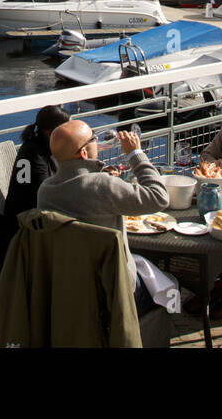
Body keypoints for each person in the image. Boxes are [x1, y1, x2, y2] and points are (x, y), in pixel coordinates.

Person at [36, 120, 171, 315]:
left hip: (68, 289)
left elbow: (80, 190)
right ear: (83, 153)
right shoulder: (103, 186)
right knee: (170, 285)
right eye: (93, 138)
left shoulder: (45, 191)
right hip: (114, 294)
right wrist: (136, 154)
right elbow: (159, 197)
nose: (97, 141)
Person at [0, 105, 69, 340]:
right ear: (51, 132)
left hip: (34, 218)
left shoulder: (44, 149)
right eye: (64, 131)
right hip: (23, 225)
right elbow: (43, 193)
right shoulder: (32, 155)